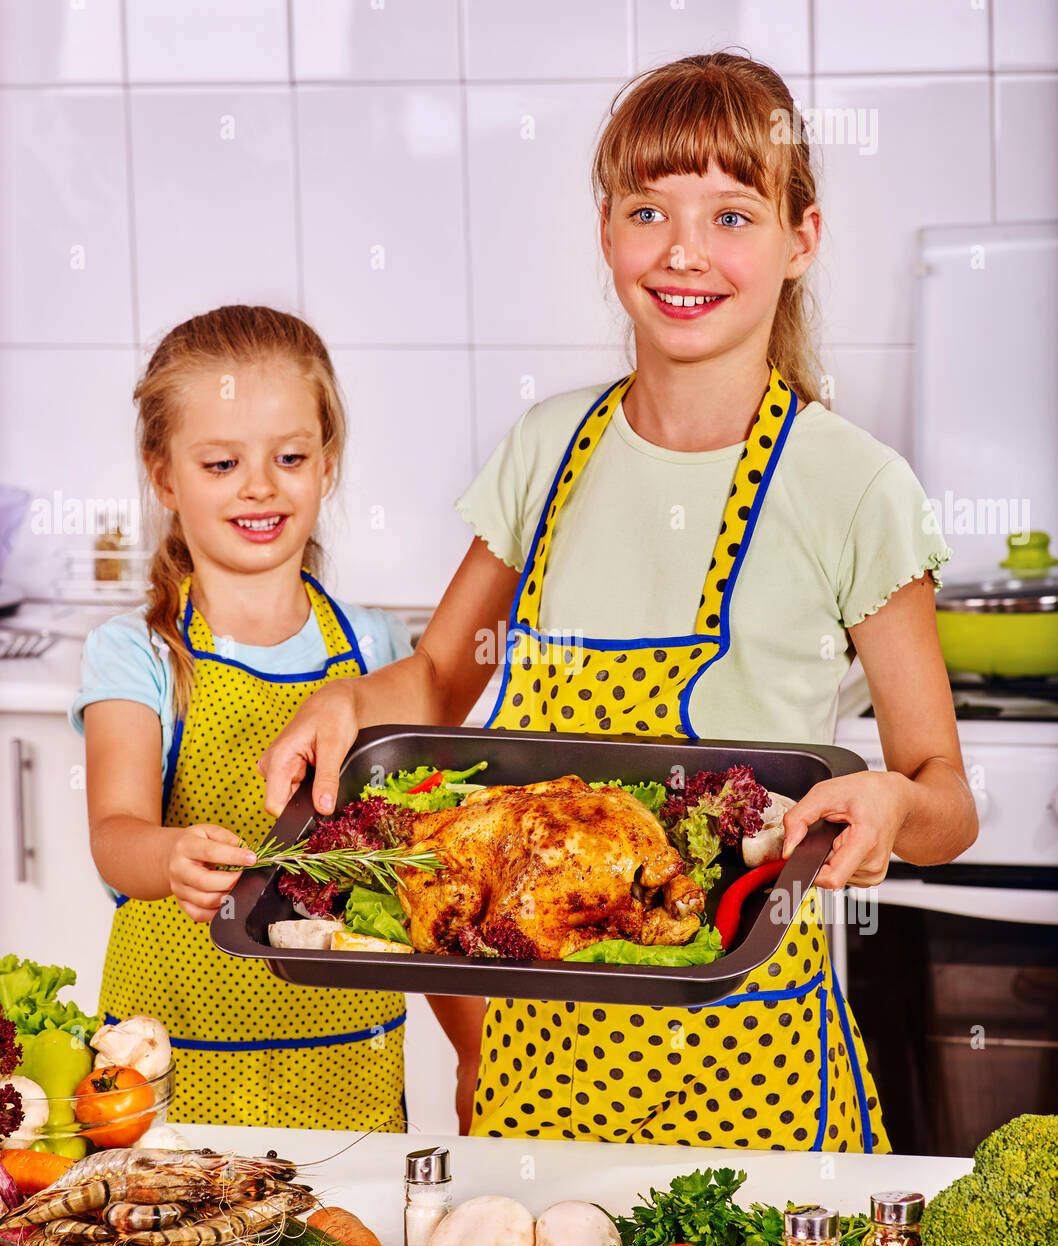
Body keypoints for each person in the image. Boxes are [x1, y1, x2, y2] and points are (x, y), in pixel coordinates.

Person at [258, 54, 978, 1151]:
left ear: (801, 240)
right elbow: (443, 678)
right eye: (648, 209)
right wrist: (347, 699)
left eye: (731, 214)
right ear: (606, 233)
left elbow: (946, 796)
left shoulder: (853, 488)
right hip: (540, 1052)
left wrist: (885, 803)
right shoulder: (545, 449)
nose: (683, 250)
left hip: (752, 1055)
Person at [72, 304, 421, 1130]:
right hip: (170, 1061)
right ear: (165, 477)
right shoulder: (136, 653)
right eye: (222, 463)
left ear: (327, 464)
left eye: (290, 457)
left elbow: (411, 863)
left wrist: (472, 1044)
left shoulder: (376, 648)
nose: (260, 486)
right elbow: (115, 835)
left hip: (347, 1052)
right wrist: (172, 856)